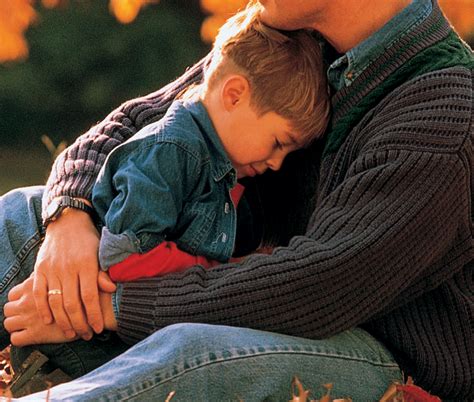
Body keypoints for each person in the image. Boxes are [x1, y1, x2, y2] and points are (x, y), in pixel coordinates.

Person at [2, 0, 472, 400]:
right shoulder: (285, 39)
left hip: (378, 351)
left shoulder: (446, 110)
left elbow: (318, 286)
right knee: (22, 215)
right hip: (218, 289)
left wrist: (114, 307)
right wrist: (70, 220)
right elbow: (140, 125)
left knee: (193, 348)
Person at [92, 5, 329, 283]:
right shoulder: (171, 153)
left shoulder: (219, 166)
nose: (277, 163)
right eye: (278, 142)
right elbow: (127, 260)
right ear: (234, 95)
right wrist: (218, 270)